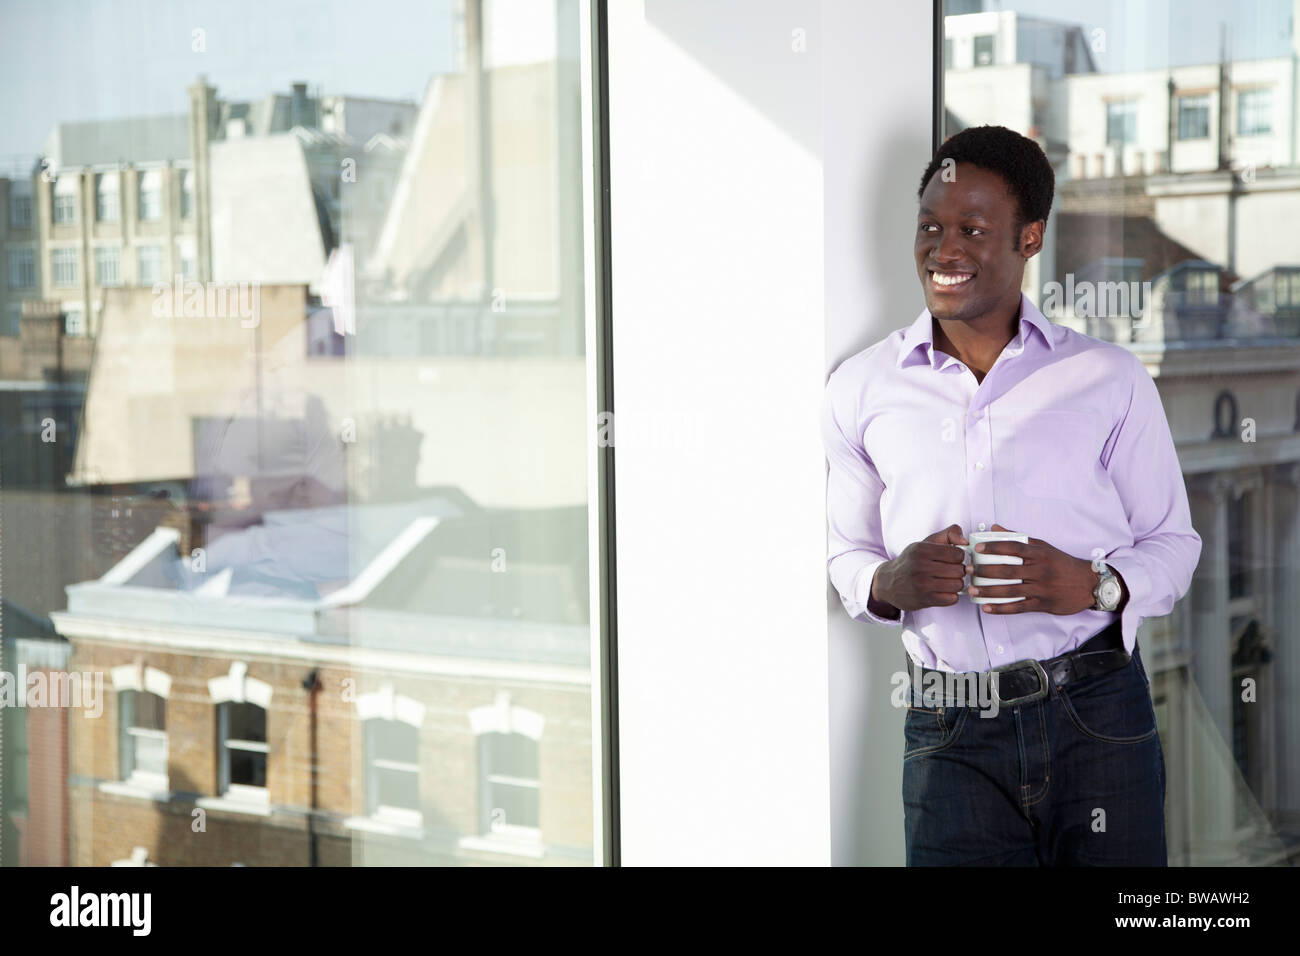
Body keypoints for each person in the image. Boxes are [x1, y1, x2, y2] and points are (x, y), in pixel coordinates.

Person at [821, 124, 1202, 866]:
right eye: (931, 226)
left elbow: (1173, 544)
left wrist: (1096, 585)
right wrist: (885, 582)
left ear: (1029, 239)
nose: (944, 248)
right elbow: (846, 552)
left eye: (972, 228)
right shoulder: (860, 388)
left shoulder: (1108, 378)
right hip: (947, 733)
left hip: (1098, 717)